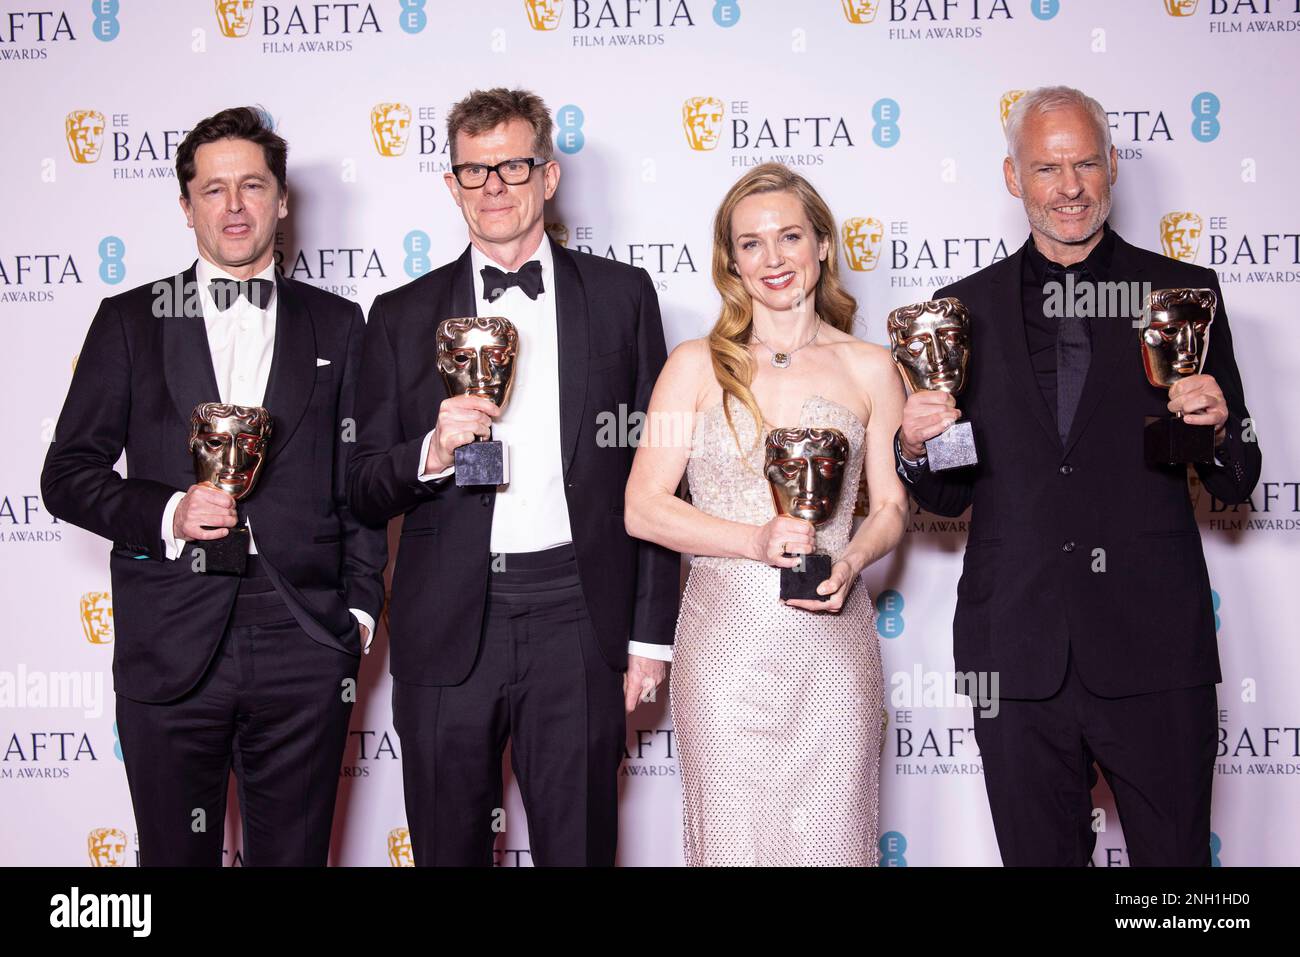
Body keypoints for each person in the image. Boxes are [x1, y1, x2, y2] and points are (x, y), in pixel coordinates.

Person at [894, 86, 1261, 866]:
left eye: (1086, 163)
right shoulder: (961, 311)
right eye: (1047, 167)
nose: (1069, 187)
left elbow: (1233, 481)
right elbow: (950, 494)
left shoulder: (1181, 296)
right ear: (1011, 176)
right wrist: (919, 446)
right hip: (1017, 655)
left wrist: (1220, 426)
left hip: (1156, 650)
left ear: (1113, 165)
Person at [41, 106, 387, 866]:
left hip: (302, 633)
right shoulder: (130, 320)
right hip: (170, 632)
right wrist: (168, 508)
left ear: (283, 200)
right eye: (214, 189)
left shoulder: (339, 323)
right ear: (186, 204)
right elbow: (66, 475)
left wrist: (358, 612)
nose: (234, 206)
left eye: (253, 186)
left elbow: (358, 480)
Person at [347, 88, 679, 866]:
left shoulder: (623, 297)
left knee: (582, 847)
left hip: (579, 615)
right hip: (445, 622)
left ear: (550, 176)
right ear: (451, 184)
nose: (493, 186)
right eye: (474, 170)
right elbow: (361, 483)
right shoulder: (399, 315)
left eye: (513, 165)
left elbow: (661, 475)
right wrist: (428, 450)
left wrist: (649, 633)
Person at [625, 163, 908, 866]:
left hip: (831, 647)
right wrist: (751, 539)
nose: (772, 258)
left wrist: (848, 559)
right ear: (731, 262)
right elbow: (642, 507)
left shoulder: (872, 366)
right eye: (750, 244)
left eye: (788, 237)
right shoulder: (692, 366)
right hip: (725, 651)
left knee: (834, 844)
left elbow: (894, 507)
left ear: (821, 246)